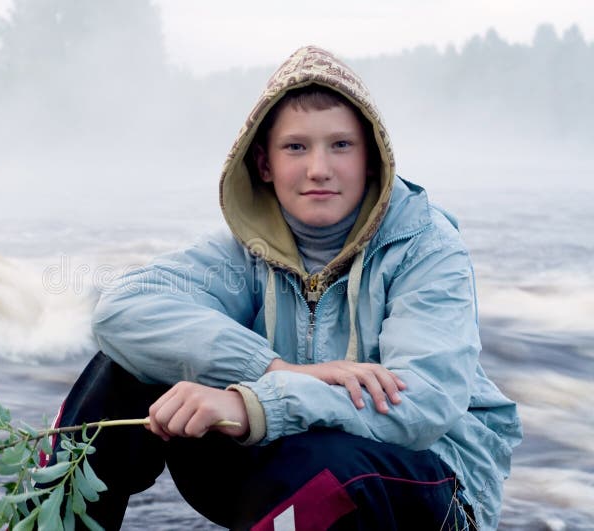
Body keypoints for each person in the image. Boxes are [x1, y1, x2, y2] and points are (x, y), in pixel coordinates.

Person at [41, 45, 522, 530]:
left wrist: (259, 403)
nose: (319, 169)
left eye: (341, 145)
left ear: (372, 160)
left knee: (328, 463)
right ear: (264, 164)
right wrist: (276, 370)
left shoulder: (426, 250)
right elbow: (121, 309)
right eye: (296, 147)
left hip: (429, 488)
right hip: (280, 467)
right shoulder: (246, 250)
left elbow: (424, 405)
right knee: (122, 372)